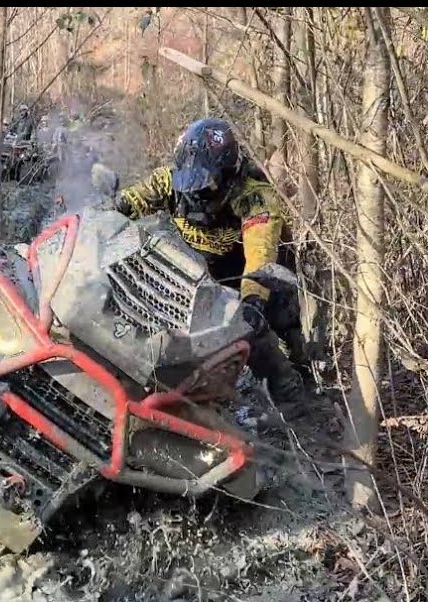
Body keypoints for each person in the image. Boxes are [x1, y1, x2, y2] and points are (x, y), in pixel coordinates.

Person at [113, 117, 310, 406]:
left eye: (204, 186)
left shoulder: (255, 197)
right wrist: (110, 208)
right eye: (188, 183)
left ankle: (296, 398)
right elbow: (131, 200)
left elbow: (260, 255)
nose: (195, 193)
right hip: (207, 268)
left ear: (228, 176)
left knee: (266, 326)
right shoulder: (166, 181)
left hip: (260, 269)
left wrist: (253, 301)